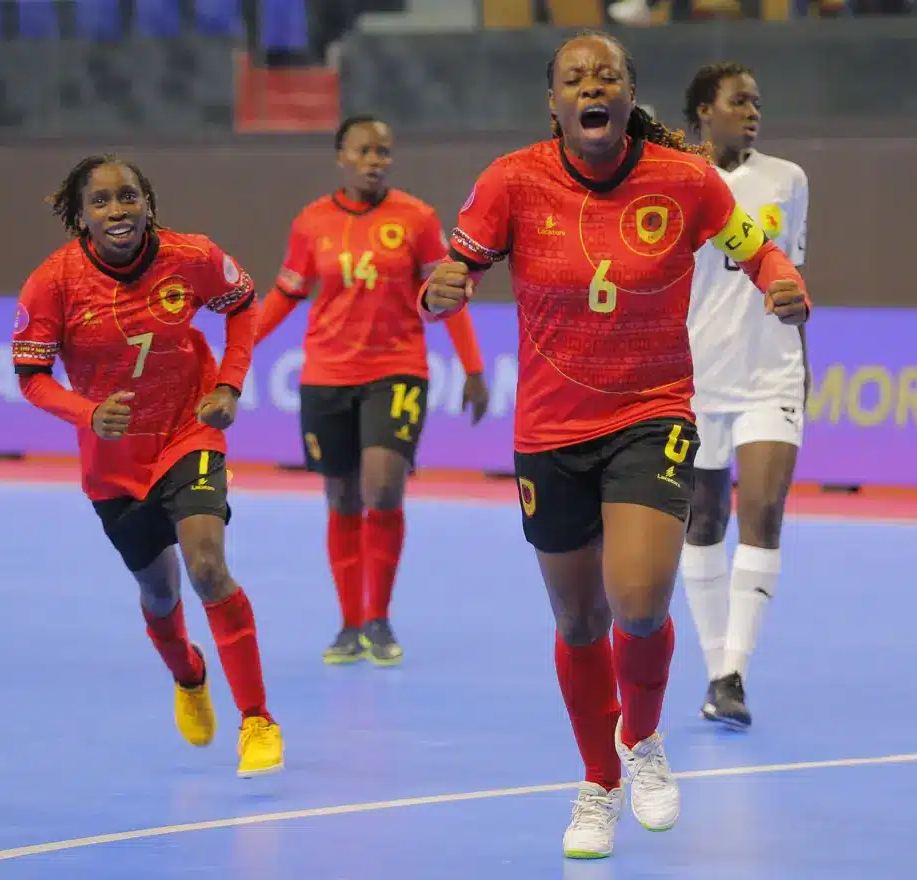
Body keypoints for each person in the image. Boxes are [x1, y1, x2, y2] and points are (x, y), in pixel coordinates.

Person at [419, 31, 811, 860]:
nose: (591, 86)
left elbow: (752, 246)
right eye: (574, 77)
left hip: (652, 411)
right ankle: (597, 782)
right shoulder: (512, 180)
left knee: (637, 600)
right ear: (553, 102)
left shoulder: (683, 178)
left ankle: (644, 742)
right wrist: (441, 286)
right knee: (579, 617)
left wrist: (779, 275)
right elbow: (458, 265)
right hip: (551, 430)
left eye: (608, 75)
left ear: (629, 96)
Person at [13, 155, 283, 778]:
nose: (118, 211)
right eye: (102, 202)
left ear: (149, 204)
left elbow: (243, 304)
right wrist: (86, 414)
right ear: (79, 217)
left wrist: (231, 385)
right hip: (113, 460)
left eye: (128, 197)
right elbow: (31, 378)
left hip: (189, 432)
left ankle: (257, 720)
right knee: (158, 593)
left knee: (207, 566)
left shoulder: (191, 257)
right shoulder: (52, 284)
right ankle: (189, 676)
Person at [255, 115, 490, 667]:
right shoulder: (311, 222)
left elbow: (447, 296)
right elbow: (286, 294)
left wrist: (474, 369)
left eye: (383, 151)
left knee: (382, 488)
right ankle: (348, 622)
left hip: (396, 370)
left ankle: (379, 619)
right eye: (363, 150)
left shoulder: (417, 219)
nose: (375, 160)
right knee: (341, 497)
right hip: (326, 376)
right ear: (341, 156)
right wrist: (236, 353)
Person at [679, 62, 810, 732]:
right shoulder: (677, 180)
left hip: (771, 375)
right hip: (697, 378)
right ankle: (710, 666)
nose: (752, 112)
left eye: (758, 102)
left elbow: (791, 276)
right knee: (703, 524)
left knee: (763, 512)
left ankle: (733, 675)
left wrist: (802, 361)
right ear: (705, 110)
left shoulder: (787, 180)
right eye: (738, 101)